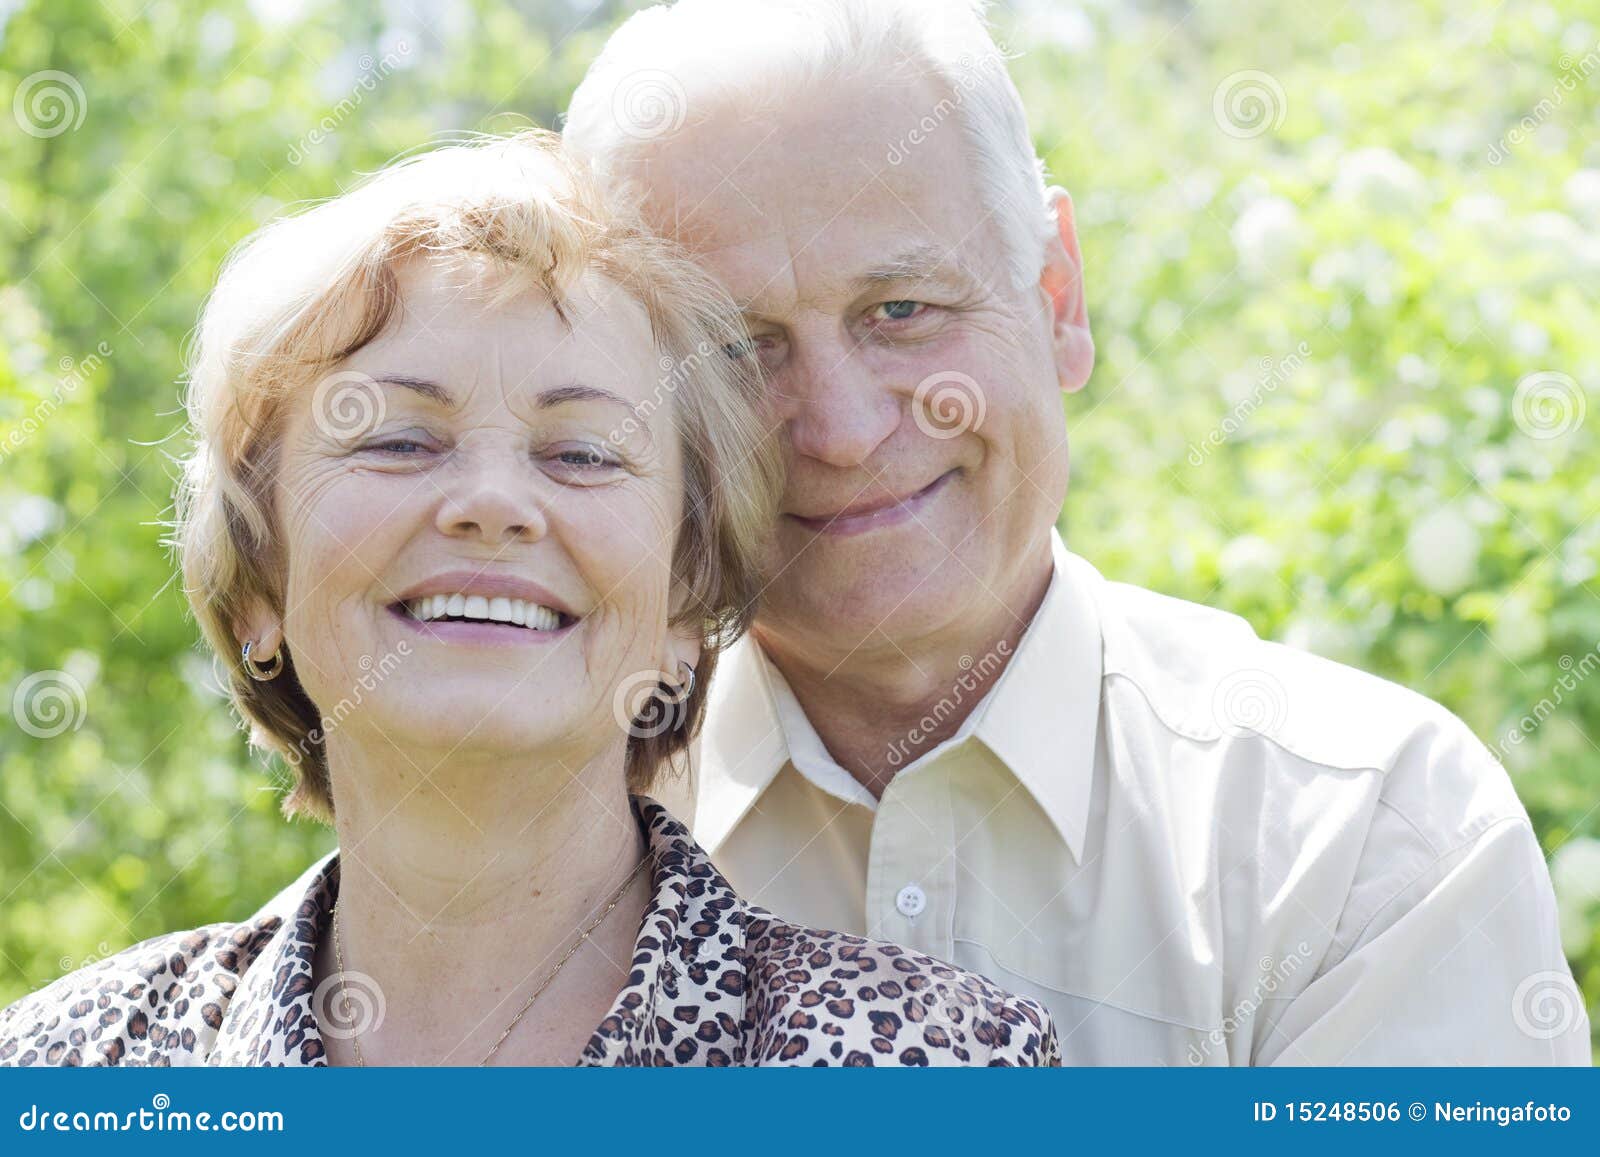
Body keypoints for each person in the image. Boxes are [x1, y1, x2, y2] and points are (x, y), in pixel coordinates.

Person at [562, 0, 1591, 1064]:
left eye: (902, 309)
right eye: (737, 349)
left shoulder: (1364, 837)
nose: (842, 427)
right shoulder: (540, 820)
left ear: (1056, 296)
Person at [0, 130, 1058, 1068]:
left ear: (685, 602)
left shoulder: (940, 1066)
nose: (495, 503)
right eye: (399, 438)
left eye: (583, 451)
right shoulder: (68, 1068)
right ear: (258, 582)